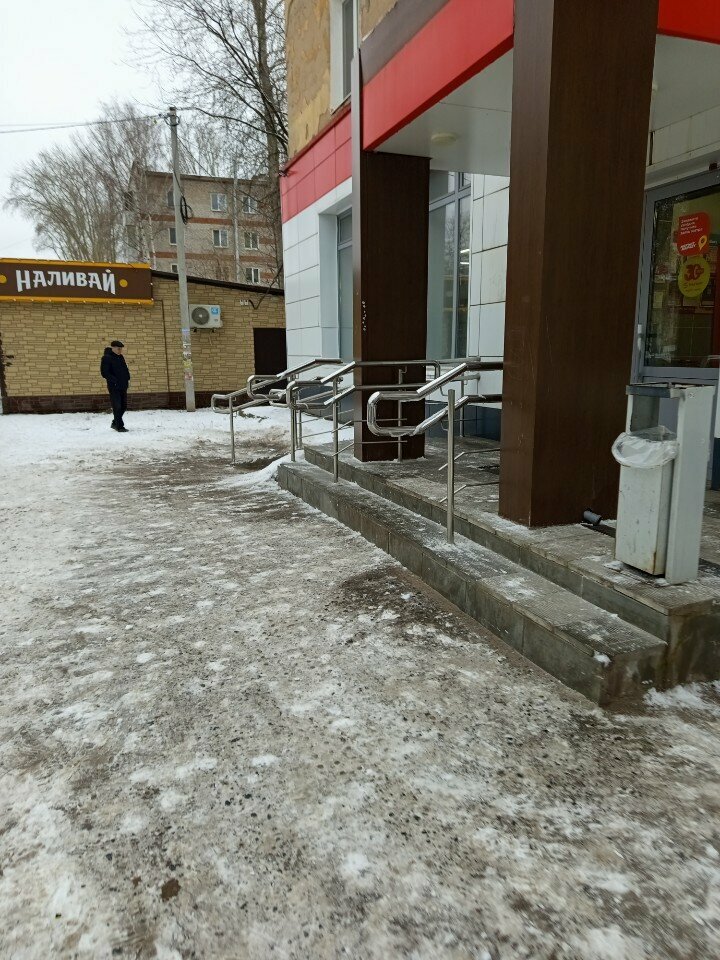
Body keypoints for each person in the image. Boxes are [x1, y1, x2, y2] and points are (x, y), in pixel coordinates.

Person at [100, 340, 131, 432]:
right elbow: (104, 373)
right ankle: (119, 426)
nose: (120, 350)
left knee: (123, 406)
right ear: (113, 348)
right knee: (117, 406)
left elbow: (125, 369)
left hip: (123, 385)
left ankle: (115, 422)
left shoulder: (120, 357)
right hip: (114, 386)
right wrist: (115, 381)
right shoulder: (106, 358)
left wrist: (127, 377)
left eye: (121, 349)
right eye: (118, 349)